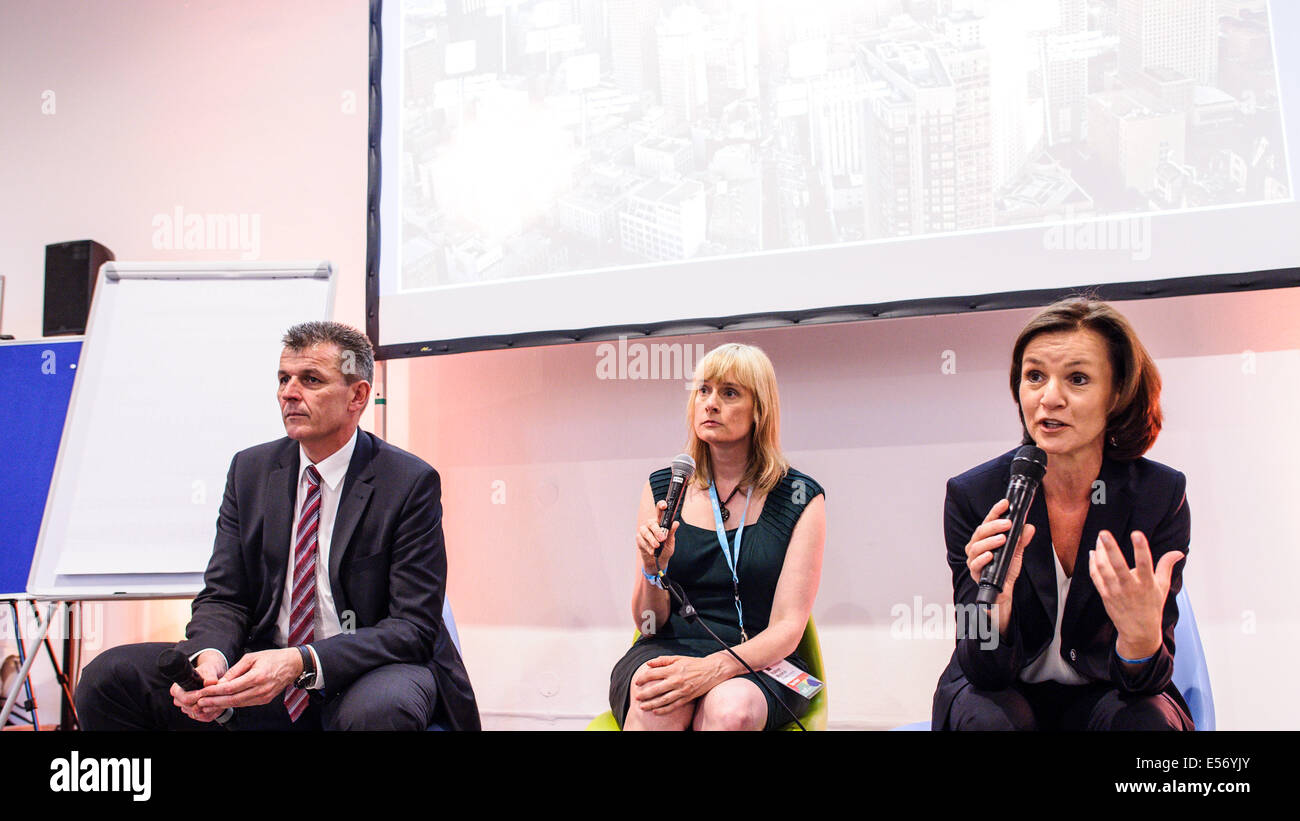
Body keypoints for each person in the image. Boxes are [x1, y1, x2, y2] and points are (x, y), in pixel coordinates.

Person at [76, 321, 480, 730]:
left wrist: (302, 661)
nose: (288, 392)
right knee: (108, 677)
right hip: (264, 663)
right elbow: (225, 595)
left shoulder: (407, 482)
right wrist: (209, 657)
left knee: (378, 711)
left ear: (357, 396)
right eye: (284, 378)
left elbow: (412, 628)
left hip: (367, 668)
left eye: (310, 379)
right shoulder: (250, 470)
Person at [932, 297, 1192, 730]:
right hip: (1001, 687)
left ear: (1117, 392)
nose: (1049, 398)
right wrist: (993, 604)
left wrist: (1139, 637)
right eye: (1034, 376)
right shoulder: (975, 495)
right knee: (990, 722)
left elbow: (1147, 680)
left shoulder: (1159, 495)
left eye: (1077, 379)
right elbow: (981, 667)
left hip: (1107, 688)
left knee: (1147, 722)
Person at [609, 343, 826, 731]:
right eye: (703, 391)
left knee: (731, 711)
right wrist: (651, 569)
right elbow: (649, 625)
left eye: (729, 393)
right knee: (656, 701)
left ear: (759, 410)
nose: (710, 404)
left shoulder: (800, 497)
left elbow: (788, 629)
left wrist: (712, 670)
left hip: (760, 658)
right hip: (672, 646)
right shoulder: (664, 488)